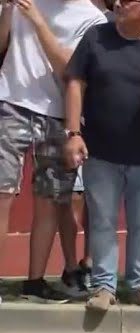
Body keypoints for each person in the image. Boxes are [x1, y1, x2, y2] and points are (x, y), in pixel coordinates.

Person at [64, 0, 140, 311]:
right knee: (102, 221)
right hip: (100, 151)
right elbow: (75, 82)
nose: (118, 3)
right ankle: (104, 287)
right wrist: (74, 133)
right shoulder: (96, 37)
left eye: (128, 0)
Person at [0, 0, 106, 303]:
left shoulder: (91, 18)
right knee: (3, 194)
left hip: (58, 113)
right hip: (10, 102)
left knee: (49, 201)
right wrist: (8, 12)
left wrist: (37, 21)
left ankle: (34, 282)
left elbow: (68, 70)